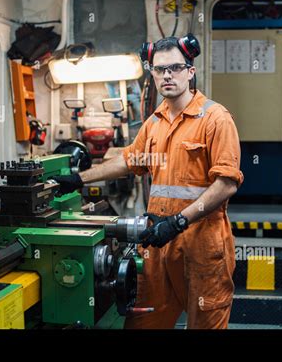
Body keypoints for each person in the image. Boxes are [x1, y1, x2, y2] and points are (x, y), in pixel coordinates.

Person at [54, 34, 244, 329]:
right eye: (159, 69)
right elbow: (129, 161)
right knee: (144, 322)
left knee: (205, 323)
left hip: (202, 245)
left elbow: (226, 183)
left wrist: (179, 222)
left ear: (190, 72)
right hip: (157, 243)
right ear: (153, 74)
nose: (167, 75)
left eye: (175, 68)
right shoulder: (154, 123)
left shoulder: (215, 119)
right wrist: (78, 178)